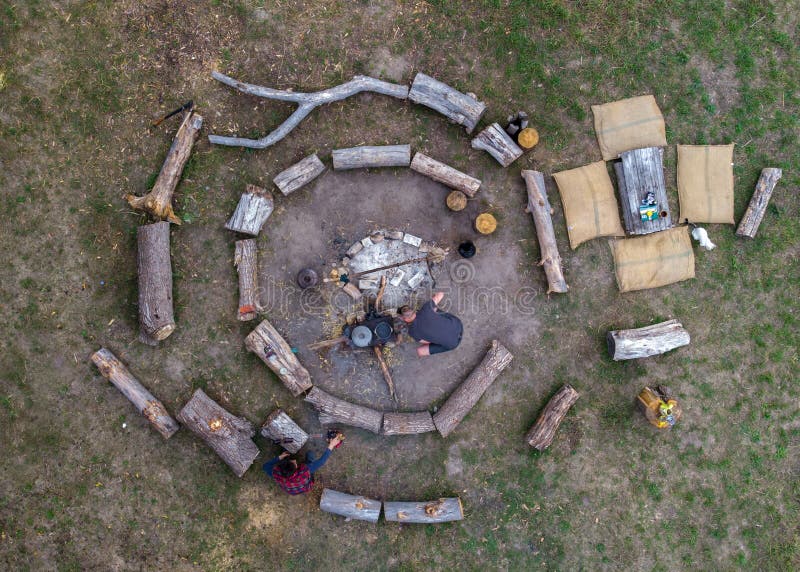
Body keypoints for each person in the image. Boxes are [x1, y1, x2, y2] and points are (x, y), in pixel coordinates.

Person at [262, 431, 344, 495]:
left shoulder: (277, 474)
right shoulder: (304, 472)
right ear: (296, 470)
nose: (294, 461)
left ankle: (285, 453)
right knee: (310, 455)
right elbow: (321, 462)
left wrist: (279, 457)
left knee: (286, 452)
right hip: (305, 485)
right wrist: (332, 445)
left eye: (291, 461)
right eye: (294, 463)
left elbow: (265, 466)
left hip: (291, 490)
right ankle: (309, 460)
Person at [399, 291, 463, 357]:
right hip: (458, 325)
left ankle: (441, 338)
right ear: (414, 310)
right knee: (434, 309)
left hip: (453, 343)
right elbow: (441, 294)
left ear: (406, 319)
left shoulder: (412, 331)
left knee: (420, 351)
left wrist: (433, 335)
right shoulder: (426, 308)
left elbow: (427, 342)